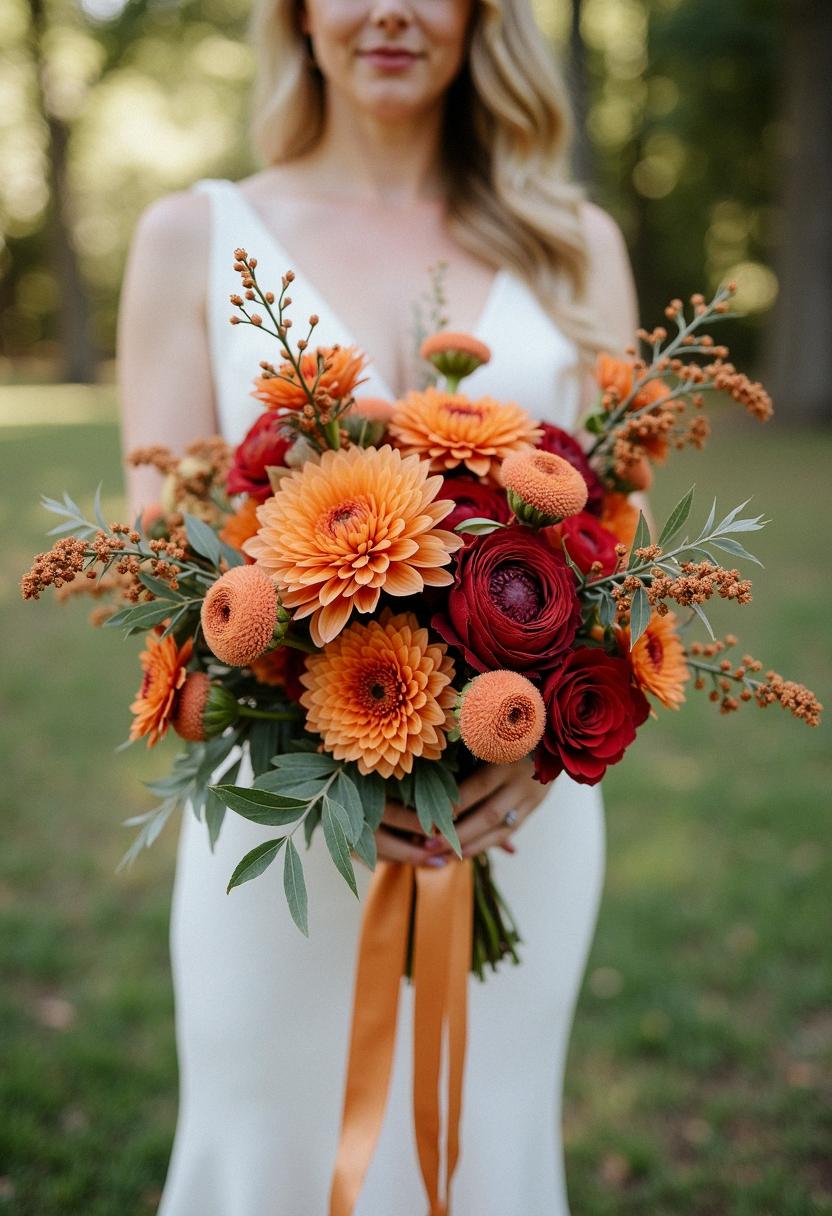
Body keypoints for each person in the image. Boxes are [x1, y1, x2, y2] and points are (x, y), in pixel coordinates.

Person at [117, 0, 640, 1211]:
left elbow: (618, 542)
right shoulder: (190, 235)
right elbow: (165, 574)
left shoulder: (577, 245)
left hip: (521, 810)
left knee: (487, 1143)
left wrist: (537, 754)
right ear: (297, 12)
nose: (391, 10)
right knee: (270, 1152)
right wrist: (308, 723)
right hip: (282, 818)